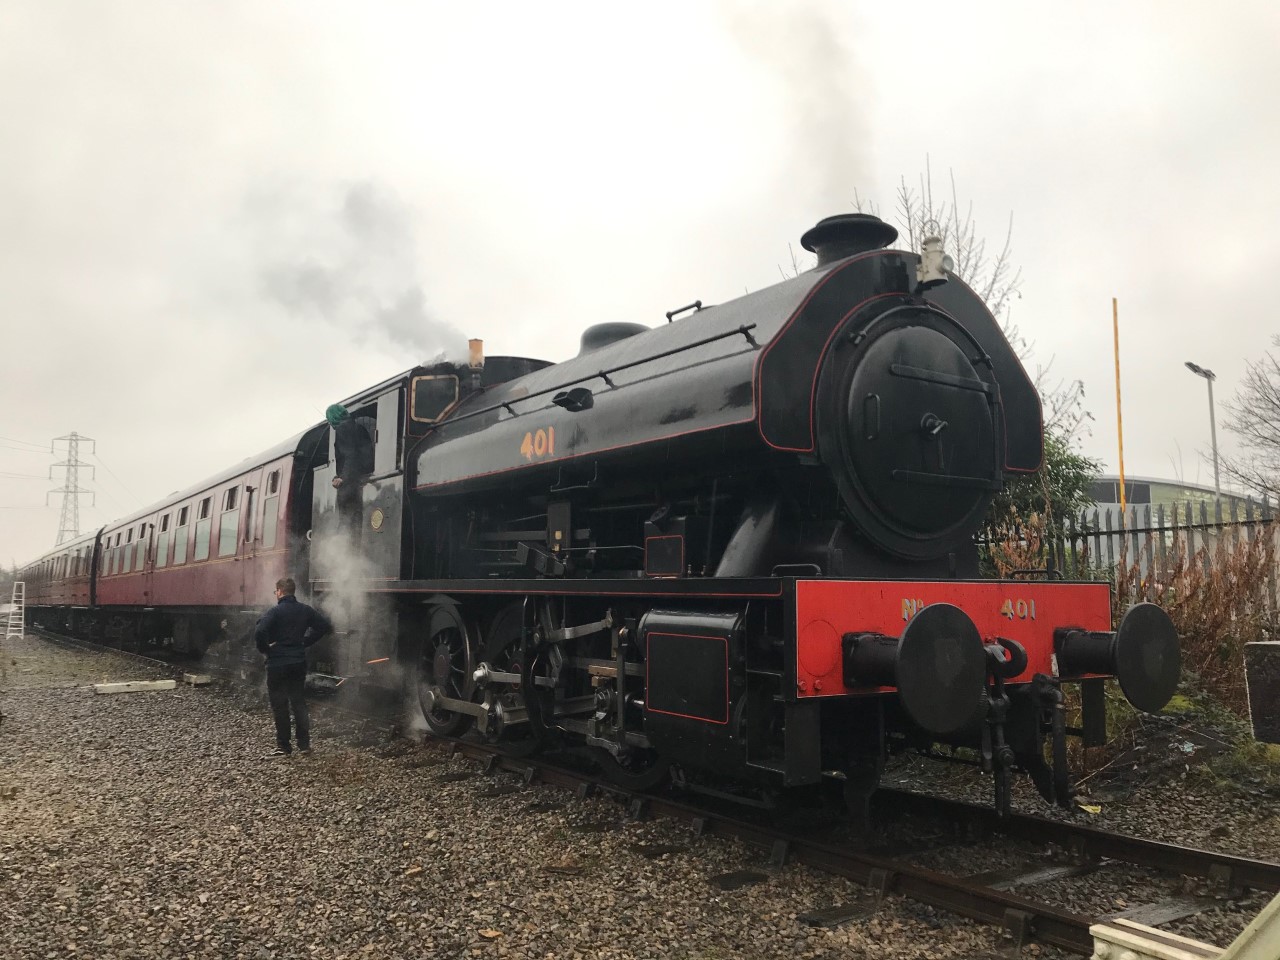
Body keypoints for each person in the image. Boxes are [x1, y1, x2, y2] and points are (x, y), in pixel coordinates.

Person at [254, 577, 332, 757]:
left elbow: (259, 631)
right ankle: (304, 745)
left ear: (280, 591)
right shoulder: (305, 610)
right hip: (297, 662)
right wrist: (305, 642)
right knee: (299, 703)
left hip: (277, 664)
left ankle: (284, 747)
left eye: (276, 592)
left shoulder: (274, 612)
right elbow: (323, 626)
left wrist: (265, 649)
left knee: (280, 705)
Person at [326, 403, 375, 542]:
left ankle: (344, 548)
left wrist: (342, 478)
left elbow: (350, 455)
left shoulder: (342, 429)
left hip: (350, 483)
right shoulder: (359, 427)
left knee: (346, 521)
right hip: (362, 478)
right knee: (356, 521)